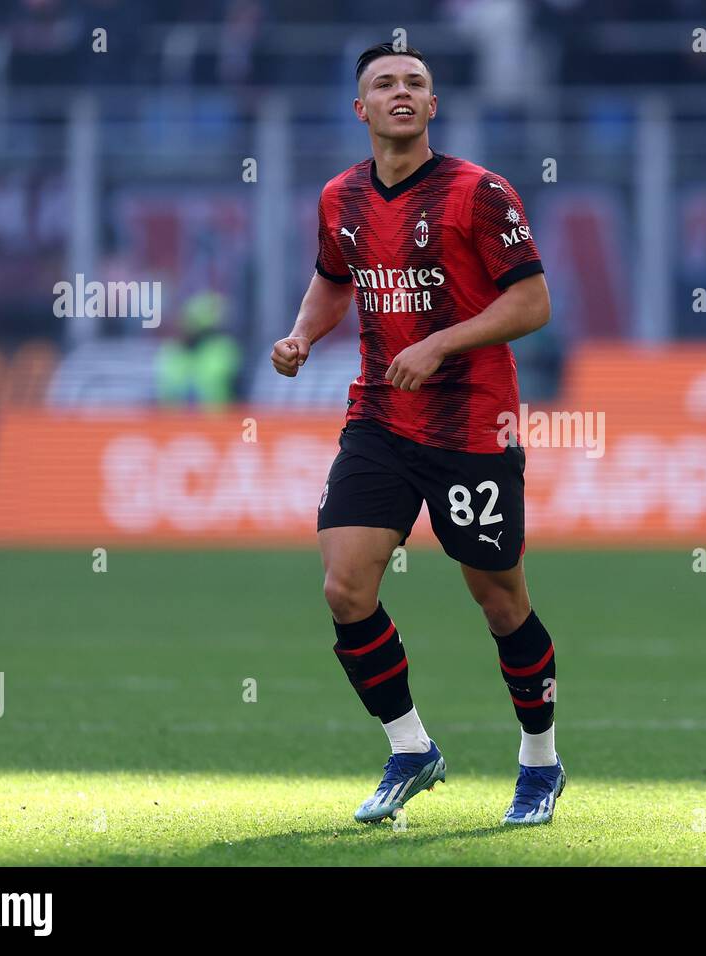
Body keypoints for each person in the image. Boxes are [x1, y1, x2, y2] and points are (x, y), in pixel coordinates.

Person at [270, 43, 564, 825]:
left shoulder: (480, 193)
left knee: (500, 602)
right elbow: (337, 278)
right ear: (360, 109)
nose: (402, 92)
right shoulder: (340, 198)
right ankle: (410, 747)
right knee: (344, 586)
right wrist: (302, 335)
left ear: (433, 106)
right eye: (384, 84)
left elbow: (532, 304)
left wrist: (439, 342)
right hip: (378, 418)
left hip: (471, 425)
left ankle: (540, 760)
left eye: (416, 83)